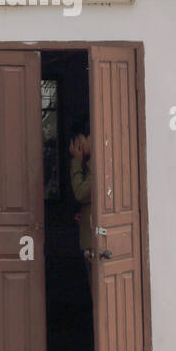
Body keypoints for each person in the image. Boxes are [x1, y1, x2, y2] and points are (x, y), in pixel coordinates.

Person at [69, 119, 93, 292]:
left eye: (79, 141)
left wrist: (76, 161)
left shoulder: (97, 165)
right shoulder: (90, 165)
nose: (77, 146)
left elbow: (81, 193)